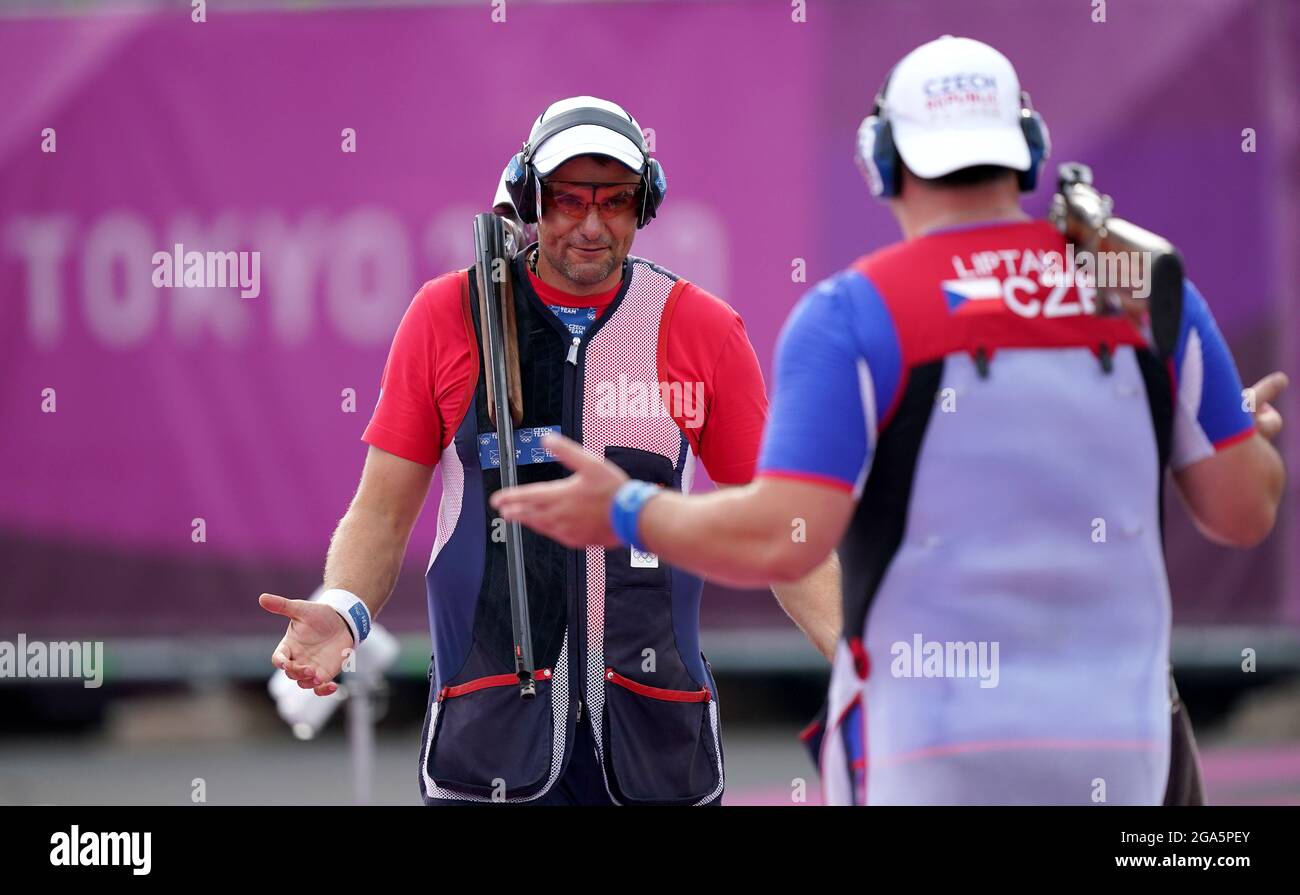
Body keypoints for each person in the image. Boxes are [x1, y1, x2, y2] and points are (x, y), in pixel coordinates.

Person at [491, 39, 1288, 805]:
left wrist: (628, 509)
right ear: (1029, 148)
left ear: (883, 160)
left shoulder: (853, 314)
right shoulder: (1142, 289)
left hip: (932, 748)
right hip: (1121, 742)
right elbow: (1245, 507)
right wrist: (1222, 425)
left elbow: (783, 536)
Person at [259, 96, 840, 805]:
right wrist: (345, 605)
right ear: (531, 200)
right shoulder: (450, 316)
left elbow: (781, 525)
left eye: (616, 201)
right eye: (568, 200)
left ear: (645, 204)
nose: (592, 225)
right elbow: (380, 515)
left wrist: (856, 658)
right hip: (488, 742)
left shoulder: (702, 329)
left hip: (659, 749)